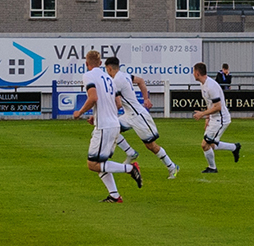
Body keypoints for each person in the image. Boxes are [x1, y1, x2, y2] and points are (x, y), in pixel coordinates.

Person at [74, 51, 142, 203]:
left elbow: (93, 97)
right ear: (100, 63)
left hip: (104, 127)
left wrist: (80, 112)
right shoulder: (110, 79)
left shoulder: (88, 76)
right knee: (101, 164)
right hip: (113, 124)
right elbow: (118, 103)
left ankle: (130, 168)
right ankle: (115, 196)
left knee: (93, 164)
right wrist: (96, 115)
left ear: (86, 63)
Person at [104, 57, 180, 179]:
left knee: (151, 146)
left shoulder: (116, 81)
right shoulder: (125, 75)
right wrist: (146, 98)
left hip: (138, 117)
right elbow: (140, 81)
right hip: (129, 115)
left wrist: (105, 113)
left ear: (109, 68)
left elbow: (118, 104)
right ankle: (131, 153)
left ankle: (172, 166)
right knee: (111, 128)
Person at [192, 62, 241, 173]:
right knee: (211, 144)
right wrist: (207, 118)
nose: (193, 74)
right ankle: (234, 147)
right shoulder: (203, 84)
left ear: (198, 73)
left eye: (194, 71)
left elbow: (218, 107)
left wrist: (202, 114)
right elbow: (210, 104)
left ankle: (212, 168)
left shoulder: (211, 86)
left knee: (205, 144)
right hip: (214, 118)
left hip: (221, 119)